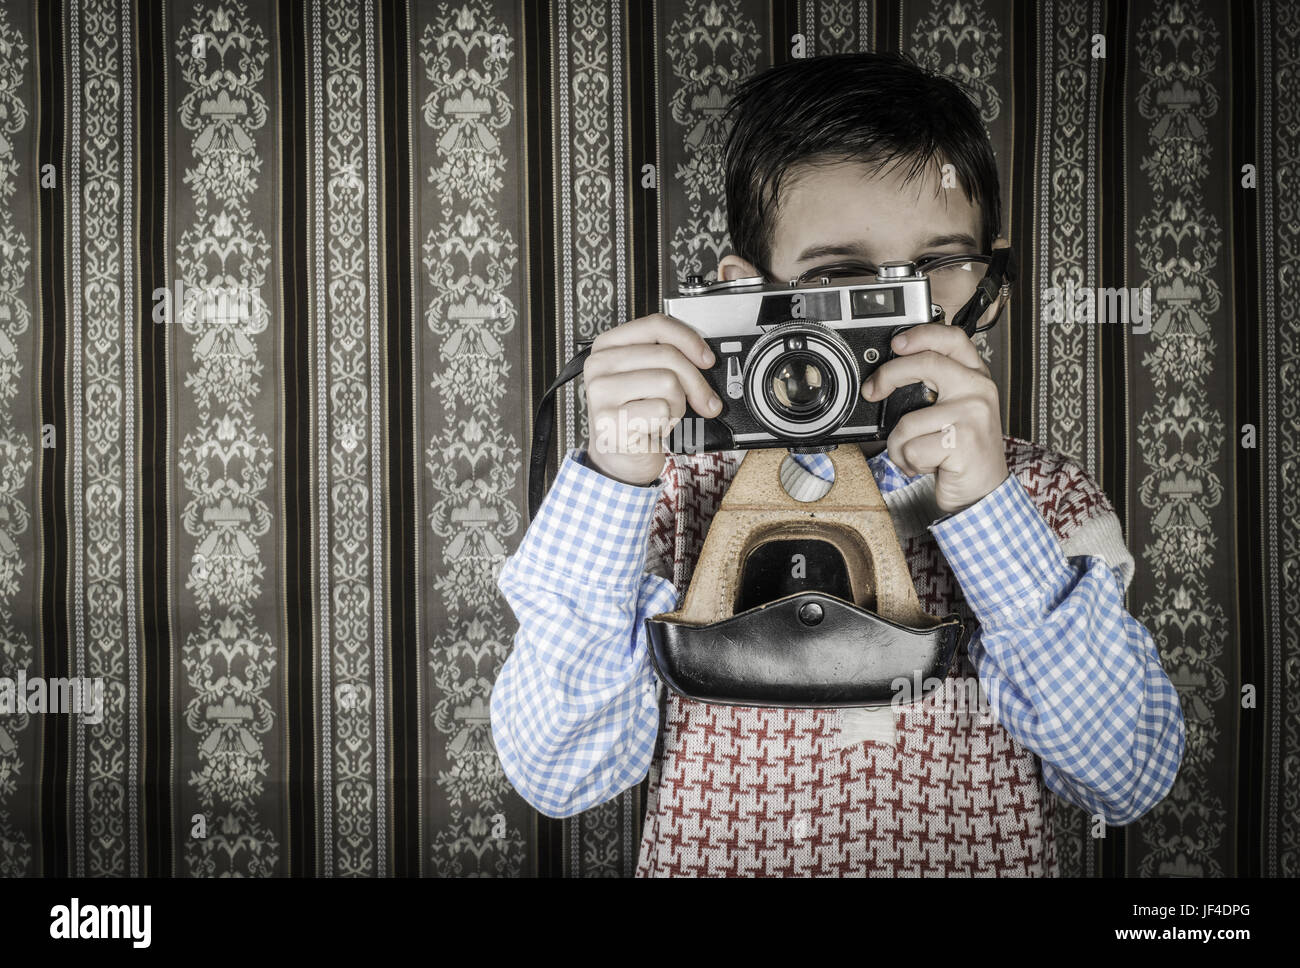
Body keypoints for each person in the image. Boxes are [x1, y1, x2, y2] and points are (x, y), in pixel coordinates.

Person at [489, 51, 1185, 876]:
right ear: (746, 298)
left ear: (987, 277)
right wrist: (615, 478)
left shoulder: (1044, 496)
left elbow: (1127, 776)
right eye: (843, 276)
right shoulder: (667, 498)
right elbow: (559, 775)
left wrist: (990, 511)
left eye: (936, 267)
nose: (902, 312)